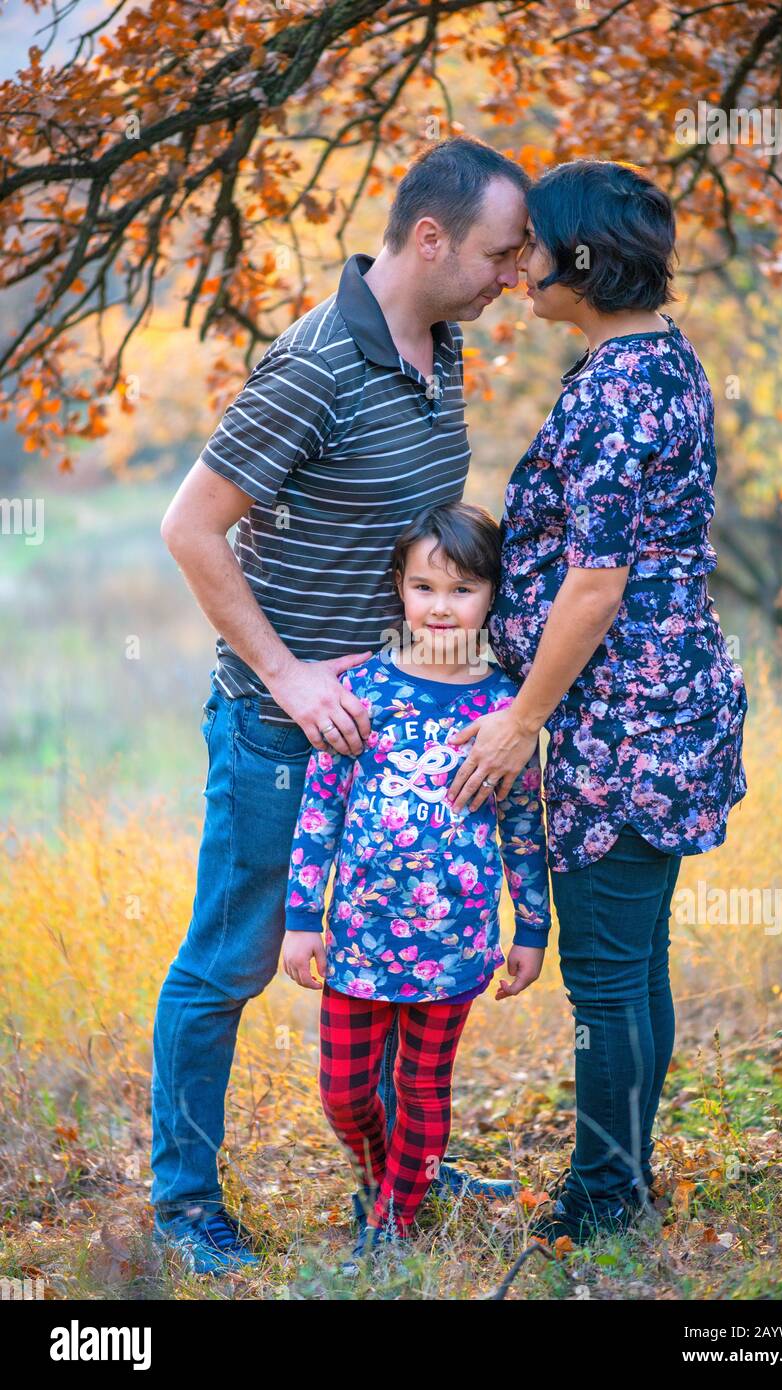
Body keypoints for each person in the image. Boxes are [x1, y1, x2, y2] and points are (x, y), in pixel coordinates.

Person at [151, 137, 530, 1273]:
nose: (513, 276)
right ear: (429, 239)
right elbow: (188, 527)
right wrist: (284, 673)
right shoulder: (313, 366)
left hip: (397, 721)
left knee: (391, 951)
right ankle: (182, 1204)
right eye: (499, 255)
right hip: (284, 727)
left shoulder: (440, 345)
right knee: (232, 960)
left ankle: (399, 1163)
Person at [441, 159, 748, 1242]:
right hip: (654, 709)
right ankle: (623, 1178)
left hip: (622, 722)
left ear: (578, 259)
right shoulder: (652, 362)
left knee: (609, 978)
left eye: (531, 248)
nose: (518, 267)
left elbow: (596, 580)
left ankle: (605, 1197)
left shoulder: (621, 388)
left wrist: (521, 714)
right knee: (635, 963)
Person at [282, 502, 551, 1268]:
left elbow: (523, 827)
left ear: (493, 594)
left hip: (454, 940)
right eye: (424, 586)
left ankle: (394, 1223)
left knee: (424, 1089)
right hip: (359, 937)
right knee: (343, 1091)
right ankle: (386, 1181)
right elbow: (318, 814)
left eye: (462, 589)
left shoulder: (506, 708)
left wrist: (532, 929)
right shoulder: (359, 690)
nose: (440, 606)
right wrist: (303, 918)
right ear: (399, 588)